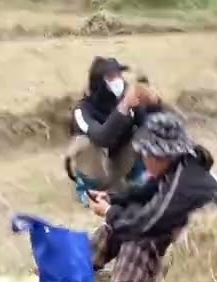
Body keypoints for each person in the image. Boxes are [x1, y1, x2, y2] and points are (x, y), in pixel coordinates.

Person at [86, 111, 217, 282]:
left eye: (145, 154)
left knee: (137, 235)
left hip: (205, 254)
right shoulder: (181, 165)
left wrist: (109, 212)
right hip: (188, 238)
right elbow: (147, 191)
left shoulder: (183, 184)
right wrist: (112, 199)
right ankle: (79, 265)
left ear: (159, 155)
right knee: (126, 215)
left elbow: (144, 225)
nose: (144, 160)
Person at [63, 56, 164, 204]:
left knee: (145, 134)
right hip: (96, 166)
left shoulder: (127, 99)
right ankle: (89, 189)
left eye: (119, 75)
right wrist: (123, 108)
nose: (118, 81)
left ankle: (140, 182)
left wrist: (154, 104)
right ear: (99, 82)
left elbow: (151, 125)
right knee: (84, 142)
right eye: (111, 77)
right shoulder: (82, 110)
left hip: (120, 163)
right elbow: (101, 137)